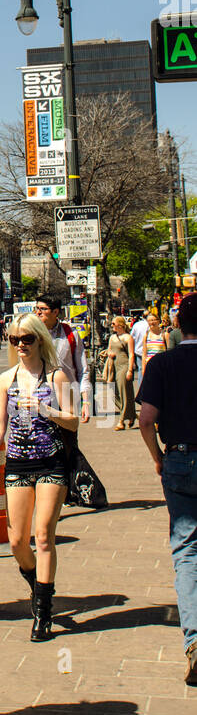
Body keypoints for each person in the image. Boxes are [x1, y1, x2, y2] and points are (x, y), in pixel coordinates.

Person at [0, 313, 78, 641]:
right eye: (14, 339)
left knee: (44, 535)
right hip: (18, 465)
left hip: (51, 463)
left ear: (39, 340)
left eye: (27, 339)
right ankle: (37, 582)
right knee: (18, 541)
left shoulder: (56, 377)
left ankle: (43, 613)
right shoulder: (8, 379)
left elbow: (74, 422)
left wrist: (47, 411)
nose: (21, 345)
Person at [137, 291, 197, 686]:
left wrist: (158, 456)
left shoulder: (163, 364)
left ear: (177, 325)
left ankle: (194, 643)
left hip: (178, 459)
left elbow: (145, 419)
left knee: (187, 551)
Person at [34, 297, 92, 424]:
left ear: (55, 312)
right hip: (39, 400)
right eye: (37, 308)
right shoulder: (31, 335)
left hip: (67, 401)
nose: (38, 312)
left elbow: (83, 370)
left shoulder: (71, 334)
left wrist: (86, 401)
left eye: (43, 309)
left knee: (68, 441)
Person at [104, 316, 136, 430]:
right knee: (112, 391)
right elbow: (109, 349)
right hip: (113, 366)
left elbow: (131, 354)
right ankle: (131, 414)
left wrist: (130, 370)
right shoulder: (112, 337)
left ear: (120, 325)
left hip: (124, 365)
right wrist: (109, 353)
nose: (112, 326)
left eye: (113, 323)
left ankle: (121, 420)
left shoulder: (128, 338)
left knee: (124, 392)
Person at [130, 310, 150, 389]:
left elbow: (132, 338)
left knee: (141, 371)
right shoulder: (150, 325)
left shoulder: (137, 325)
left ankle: (141, 390)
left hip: (139, 351)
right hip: (149, 351)